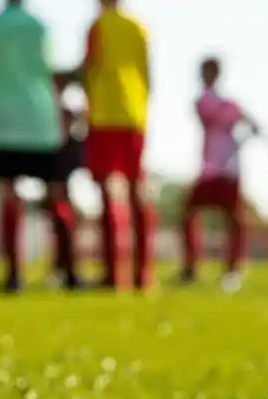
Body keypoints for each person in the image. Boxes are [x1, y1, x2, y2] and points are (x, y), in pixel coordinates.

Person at [0, 0, 79, 293]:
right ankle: (70, 271)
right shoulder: (41, 27)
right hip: (42, 119)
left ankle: (13, 275)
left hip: (8, 121)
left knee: (9, 194)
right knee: (57, 193)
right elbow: (51, 74)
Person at [78, 0, 156, 291]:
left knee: (109, 191)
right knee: (137, 190)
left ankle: (114, 275)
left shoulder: (98, 27)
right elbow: (149, 75)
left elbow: (89, 69)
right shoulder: (139, 27)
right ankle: (143, 274)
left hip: (104, 114)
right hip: (134, 115)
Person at [180, 57, 258, 293]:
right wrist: (232, 116)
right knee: (189, 212)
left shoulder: (229, 104)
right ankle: (191, 266)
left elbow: (253, 126)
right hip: (208, 169)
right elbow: (209, 118)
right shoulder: (204, 101)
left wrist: (241, 133)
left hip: (229, 168)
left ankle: (233, 269)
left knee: (234, 219)